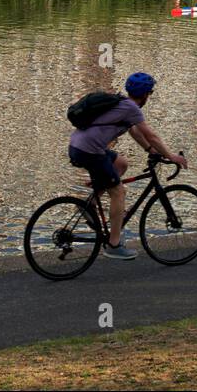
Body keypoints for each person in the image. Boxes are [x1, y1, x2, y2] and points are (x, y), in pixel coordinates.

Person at [68, 73, 186, 260]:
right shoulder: (132, 108)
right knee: (118, 191)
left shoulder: (122, 103)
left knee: (121, 164)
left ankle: (88, 205)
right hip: (89, 151)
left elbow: (135, 131)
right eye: (150, 92)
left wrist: (150, 150)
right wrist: (170, 155)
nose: (150, 95)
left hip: (80, 145)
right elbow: (151, 134)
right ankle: (114, 245)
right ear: (146, 94)